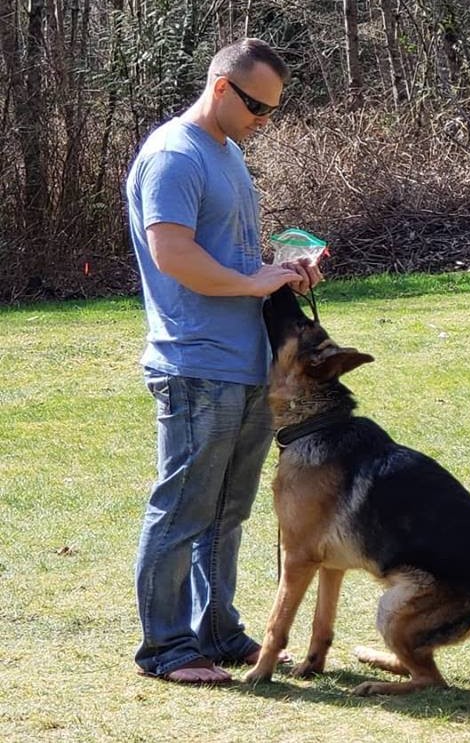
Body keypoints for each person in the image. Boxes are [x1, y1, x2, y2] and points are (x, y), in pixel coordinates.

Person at [126, 38, 321, 684]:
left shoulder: (229, 154)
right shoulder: (174, 155)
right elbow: (173, 255)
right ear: (219, 87)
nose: (262, 121)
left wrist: (280, 270)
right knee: (182, 507)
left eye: (271, 111)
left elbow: (231, 255)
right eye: (256, 107)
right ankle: (166, 648)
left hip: (247, 364)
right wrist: (254, 283)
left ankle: (218, 630)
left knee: (228, 511)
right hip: (193, 364)